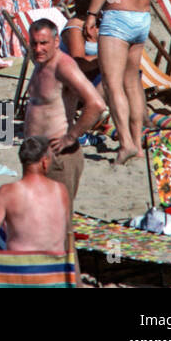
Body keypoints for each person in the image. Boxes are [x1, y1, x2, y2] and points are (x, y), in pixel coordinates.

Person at [85, 0, 154, 165]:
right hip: (142, 17)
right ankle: (137, 144)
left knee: (113, 84)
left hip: (119, 17)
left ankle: (124, 142)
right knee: (133, 83)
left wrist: (92, 14)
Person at [22, 20, 107, 204]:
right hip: (35, 156)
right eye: (34, 43)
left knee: (58, 223)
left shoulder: (64, 66)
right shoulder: (41, 63)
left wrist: (70, 137)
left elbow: (96, 104)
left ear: (56, 41)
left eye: (43, 43)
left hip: (58, 157)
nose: (38, 49)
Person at [0, 136, 70, 254]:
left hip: (20, 268)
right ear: (44, 162)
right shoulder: (61, 190)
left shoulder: (7, 192)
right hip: (54, 268)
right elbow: (64, 232)